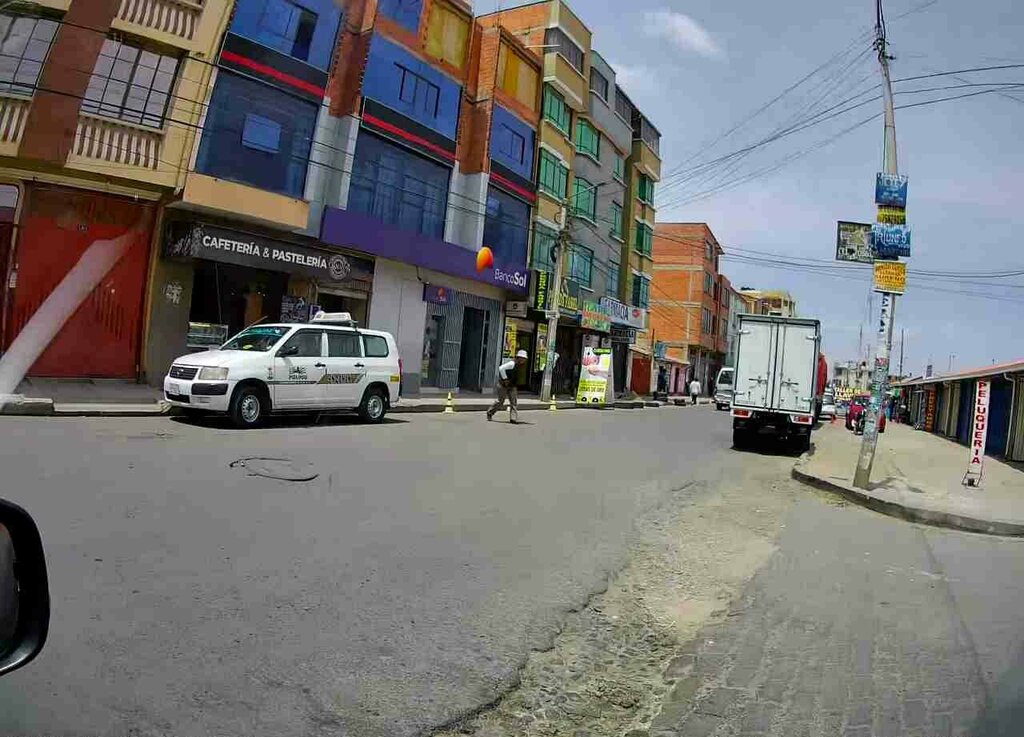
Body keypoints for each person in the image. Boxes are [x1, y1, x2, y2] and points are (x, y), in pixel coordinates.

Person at [487, 350, 528, 423]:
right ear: (519, 358)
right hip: (503, 385)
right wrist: (505, 379)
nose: (524, 360)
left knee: (513, 402)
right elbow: (501, 368)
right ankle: (490, 412)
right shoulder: (512, 363)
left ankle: (513, 418)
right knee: (500, 402)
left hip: (512, 386)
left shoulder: (520, 366)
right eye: (523, 358)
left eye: (525, 359)